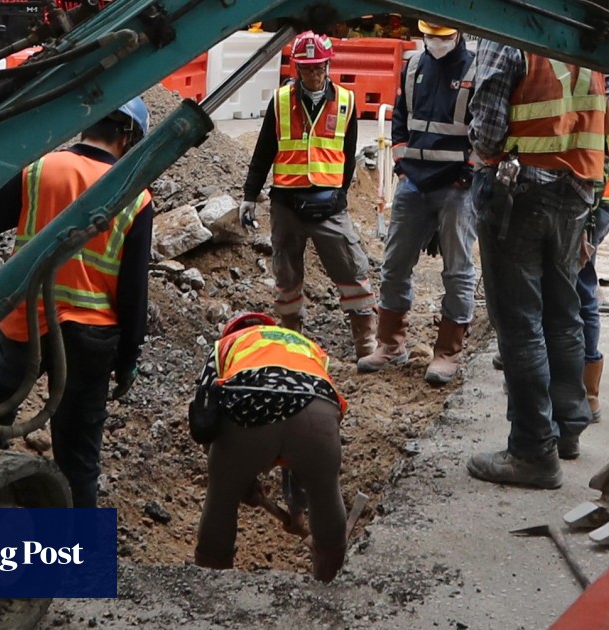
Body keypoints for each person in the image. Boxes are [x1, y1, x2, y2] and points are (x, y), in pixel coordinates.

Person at [0, 98, 153, 509]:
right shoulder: (135, 197)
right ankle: (78, 560)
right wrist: (128, 357)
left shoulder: (41, 169)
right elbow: (134, 292)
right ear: (128, 137)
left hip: (24, 325)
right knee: (79, 460)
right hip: (91, 338)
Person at [466, 42, 609, 488]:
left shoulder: (509, 31)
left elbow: (488, 128)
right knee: (562, 313)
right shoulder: (585, 30)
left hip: (521, 190)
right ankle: (567, 428)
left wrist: (482, 158)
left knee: (520, 323)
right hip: (577, 190)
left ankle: (532, 451)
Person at [239, 31, 379, 365]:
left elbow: (347, 155)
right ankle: (293, 342)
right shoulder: (281, 101)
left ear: (328, 66)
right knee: (286, 274)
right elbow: (263, 153)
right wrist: (249, 195)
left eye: (317, 68)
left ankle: (366, 341)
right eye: (306, 69)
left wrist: (340, 196)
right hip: (287, 203)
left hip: (329, 204)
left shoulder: (345, 101)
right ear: (296, 69)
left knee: (351, 265)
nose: (312, 76)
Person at [357, 21, 478, 385]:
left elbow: (483, 126)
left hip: (455, 187)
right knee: (394, 264)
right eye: (430, 36)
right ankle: (390, 344)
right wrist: (400, 165)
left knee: (457, 271)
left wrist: (468, 172)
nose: (435, 43)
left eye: (442, 37)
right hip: (414, 183)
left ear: (458, 33)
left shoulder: (474, 69)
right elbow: (399, 122)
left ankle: (448, 353)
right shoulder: (413, 66)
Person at [191, 312, 348, 582]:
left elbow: (205, 419)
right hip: (316, 409)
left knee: (221, 497)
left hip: (249, 403)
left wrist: (237, 481)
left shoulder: (225, 346)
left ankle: (211, 583)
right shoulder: (302, 344)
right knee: (324, 490)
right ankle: (332, 578)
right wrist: (297, 511)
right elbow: (293, 417)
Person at [577, 76, 609, 424]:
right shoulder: (606, 73)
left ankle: (584, 392)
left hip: (594, 197)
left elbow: (599, 141)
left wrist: (587, 219)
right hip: (599, 195)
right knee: (582, 284)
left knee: (578, 288)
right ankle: (585, 393)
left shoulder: (601, 77)